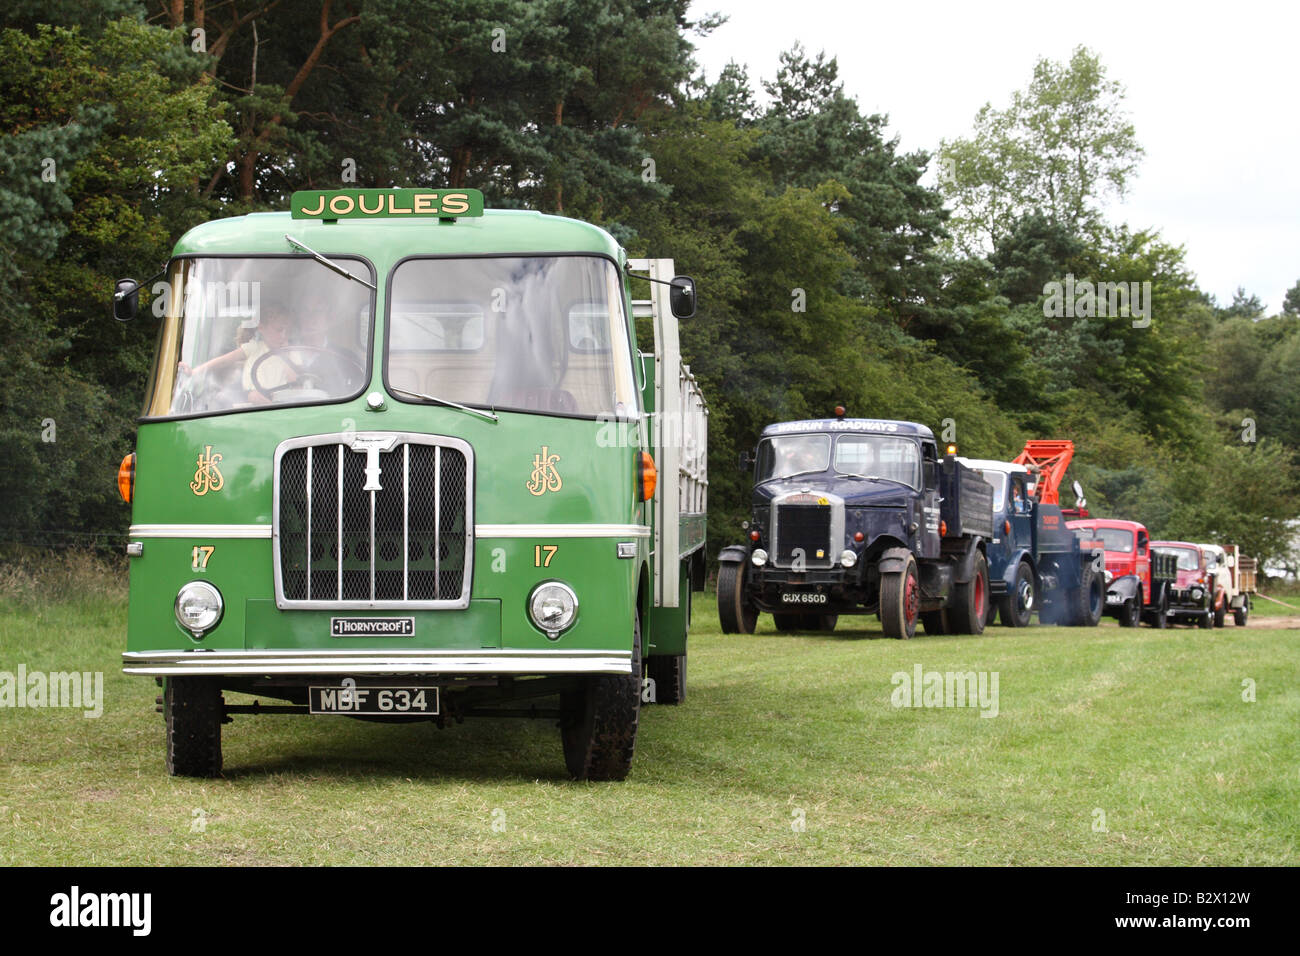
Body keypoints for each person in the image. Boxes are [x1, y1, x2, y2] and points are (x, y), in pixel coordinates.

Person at [180, 307, 298, 405]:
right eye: (279, 330)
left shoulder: (293, 352)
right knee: (254, 396)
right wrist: (194, 372)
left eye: (288, 331)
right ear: (262, 328)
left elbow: (295, 382)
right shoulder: (254, 348)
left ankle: (276, 411)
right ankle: (274, 411)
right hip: (254, 398)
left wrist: (285, 354)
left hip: (283, 399)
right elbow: (224, 361)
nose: (284, 336)